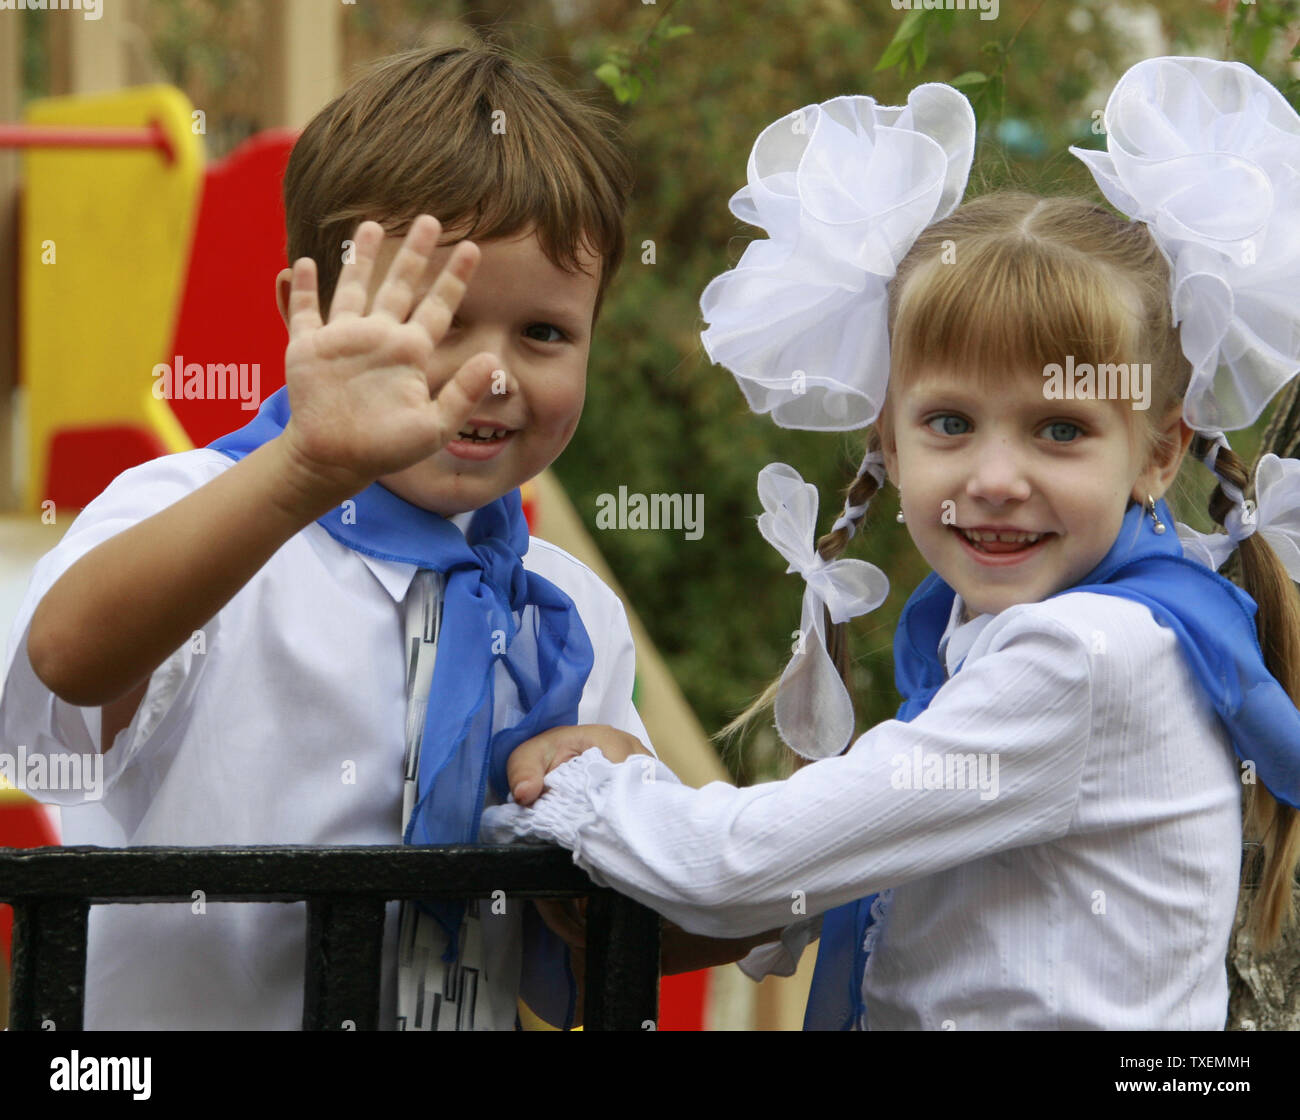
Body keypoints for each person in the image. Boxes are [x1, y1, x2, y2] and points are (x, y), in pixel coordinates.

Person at [483, 56, 1300, 1029]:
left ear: (1156, 454)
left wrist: (569, 789)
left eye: (1060, 429)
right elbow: (852, 869)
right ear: (889, 442)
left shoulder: (1082, 657)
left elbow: (744, 861)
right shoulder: (1044, 638)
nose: (996, 477)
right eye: (951, 424)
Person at [0, 42, 679, 1031]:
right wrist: (305, 472)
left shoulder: (566, 612)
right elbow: (64, 666)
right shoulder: (203, 508)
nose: (490, 372)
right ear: (304, 315)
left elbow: (584, 948)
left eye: (544, 332)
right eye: (436, 320)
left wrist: (620, 819)